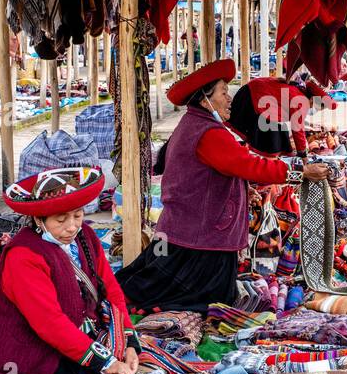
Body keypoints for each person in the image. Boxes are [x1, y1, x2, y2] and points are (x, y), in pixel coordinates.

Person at [117, 59, 328, 312]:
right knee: (177, 293)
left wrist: (240, 189)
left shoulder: (194, 126)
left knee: (158, 276)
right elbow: (249, 165)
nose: (230, 99)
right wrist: (300, 172)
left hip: (182, 228)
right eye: (223, 93)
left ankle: (119, 297)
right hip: (199, 235)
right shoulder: (209, 134)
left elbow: (218, 171)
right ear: (205, 99)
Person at [0, 167, 139, 374]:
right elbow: (50, 323)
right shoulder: (23, 256)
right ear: (39, 219)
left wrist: (129, 342)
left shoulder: (86, 236)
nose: (71, 226)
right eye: (61, 220)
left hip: (77, 342)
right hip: (36, 356)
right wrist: (106, 361)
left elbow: (111, 290)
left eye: (77, 216)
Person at [228, 74, 332, 156]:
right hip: (252, 99)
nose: (311, 109)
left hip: (252, 94)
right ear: (313, 99)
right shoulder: (301, 100)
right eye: (313, 106)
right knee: (271, 143)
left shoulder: (299, 91)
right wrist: (303, 155)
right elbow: (297, 129)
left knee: (280, 134)